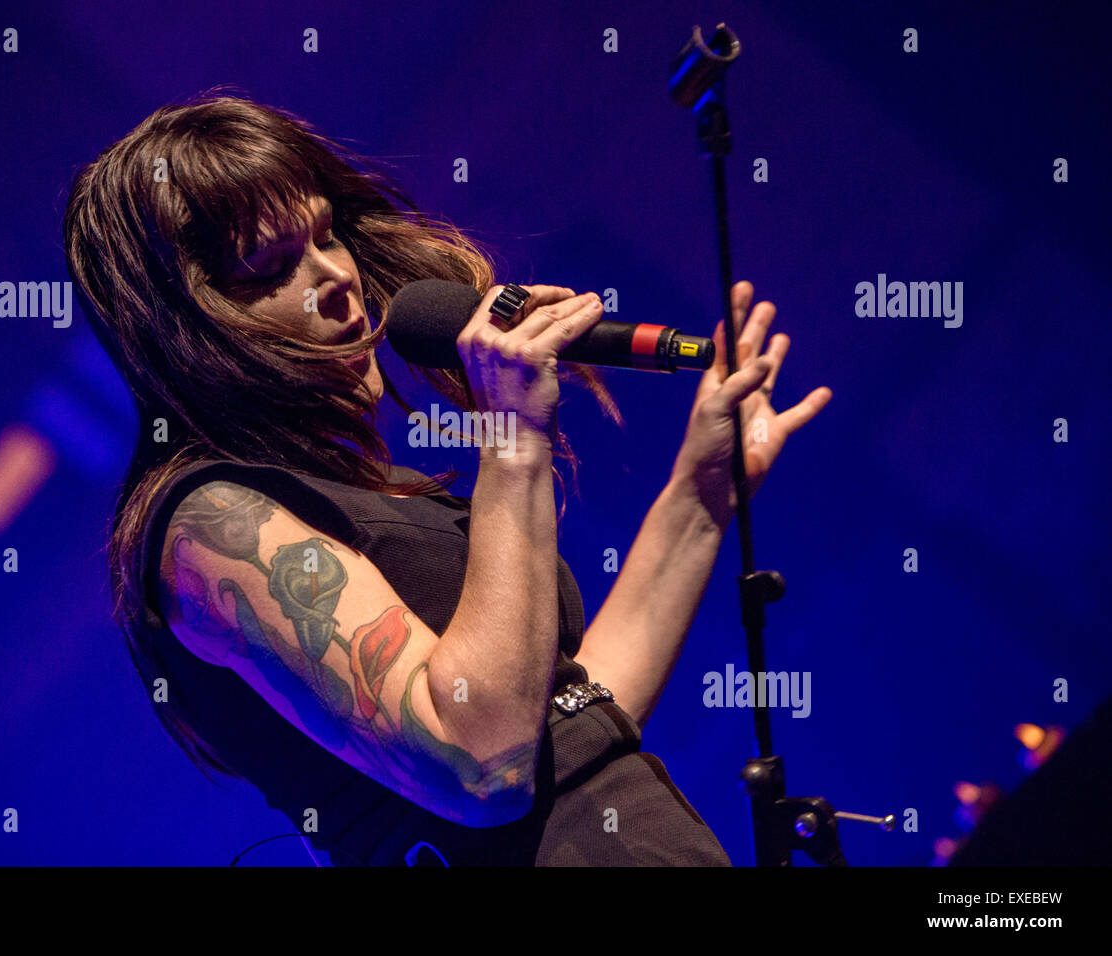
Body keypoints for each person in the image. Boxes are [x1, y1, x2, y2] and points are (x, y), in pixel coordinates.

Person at [63, 91, 831, 866]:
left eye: (328, 236)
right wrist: (515, 437)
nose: (336, 276)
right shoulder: (210, 525)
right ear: (193, 331)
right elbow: (480, 763)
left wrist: (699, 498)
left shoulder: (369, 491)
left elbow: (568, 727)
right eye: (272, 267)